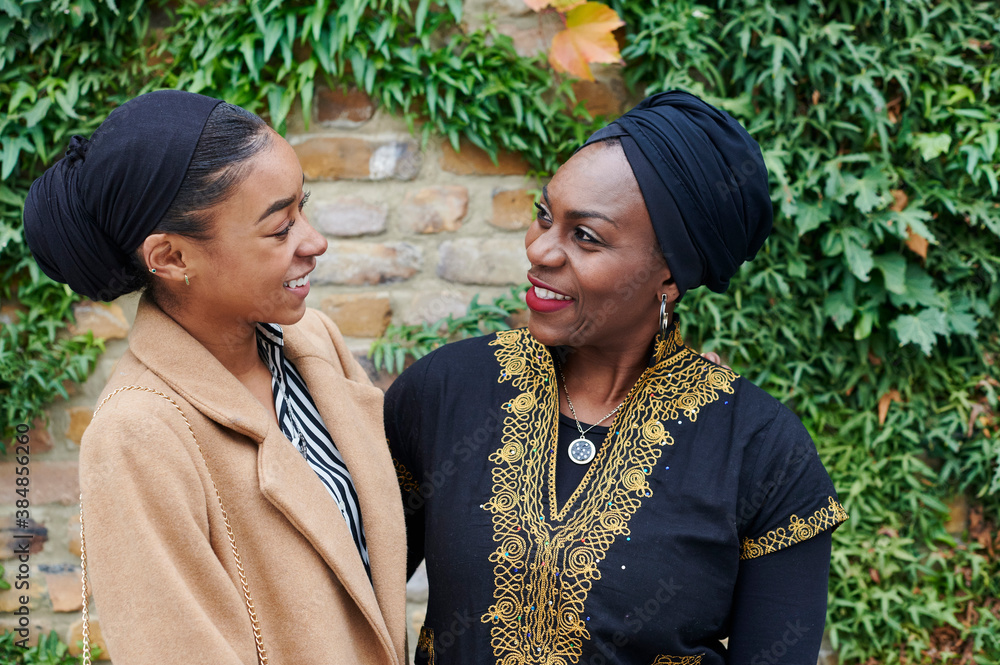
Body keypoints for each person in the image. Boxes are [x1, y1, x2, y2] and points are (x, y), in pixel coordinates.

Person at [385, 91, 848, 665]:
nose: (540, 251)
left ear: (669, 276)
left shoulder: (760, 452)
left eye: (586, 236)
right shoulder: (446, 391)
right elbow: (343, 605)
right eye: (544, 216)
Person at [23, 90, 406, 665]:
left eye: (302, 207)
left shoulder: (312, 343)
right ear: (172, 257)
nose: (315, 241)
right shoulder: (137, 434)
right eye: (280, 228)